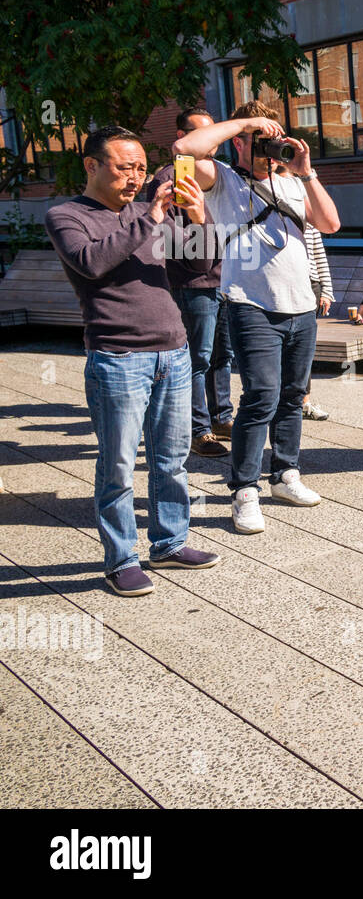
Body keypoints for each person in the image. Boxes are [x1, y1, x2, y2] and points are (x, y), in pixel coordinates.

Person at [46, 126, 221, 596]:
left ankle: (170, 542)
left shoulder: (151, 214)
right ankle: (121, 559)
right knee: (119, 464)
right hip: (118, 356)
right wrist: (152, 214)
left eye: (142, 168)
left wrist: (200, 218)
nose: (136, 177)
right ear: (92, 165)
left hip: (174, 351)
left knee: (172, 461)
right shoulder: (67, 215)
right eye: (126, 167)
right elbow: (93, 262)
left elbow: (198, 267)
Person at [174, 101, 342, 535]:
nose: (266, 146)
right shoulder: (223, 180)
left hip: (301, 305)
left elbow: (330, 223)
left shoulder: (291, 183)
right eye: (257, 138)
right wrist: (244, 124)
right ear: (240, 141)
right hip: (250, 304)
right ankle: (244, 490)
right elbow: (183, 149)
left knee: (292, 396)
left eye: (271, 137)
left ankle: (285, 474)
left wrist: (305, 170)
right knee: (260, 397)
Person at [147, 107, 235, 458]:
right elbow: (164, 236)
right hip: (193, 281)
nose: (211, 145)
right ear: (182, 138)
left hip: (226, 278)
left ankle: (221, 416)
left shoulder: (221, 177)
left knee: (222, 355)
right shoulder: (170, 179)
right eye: (202, 135)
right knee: (197, 358)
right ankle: (198, 430)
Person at [301, 219, 333, 421]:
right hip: (281, 284)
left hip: (310, 283)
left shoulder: (310, 223)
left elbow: (320, 256)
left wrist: (327, 291)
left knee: (304, 350)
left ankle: (304, 402)